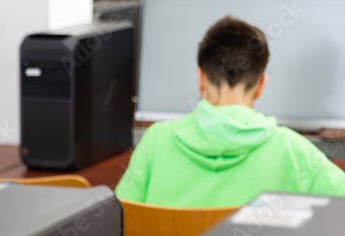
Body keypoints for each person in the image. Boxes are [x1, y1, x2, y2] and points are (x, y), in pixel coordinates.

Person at [115, 15, 345, 207]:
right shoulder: (291, 150)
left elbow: (117, 222)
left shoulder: (156, 140)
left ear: (201, 78)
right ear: (261, 86)